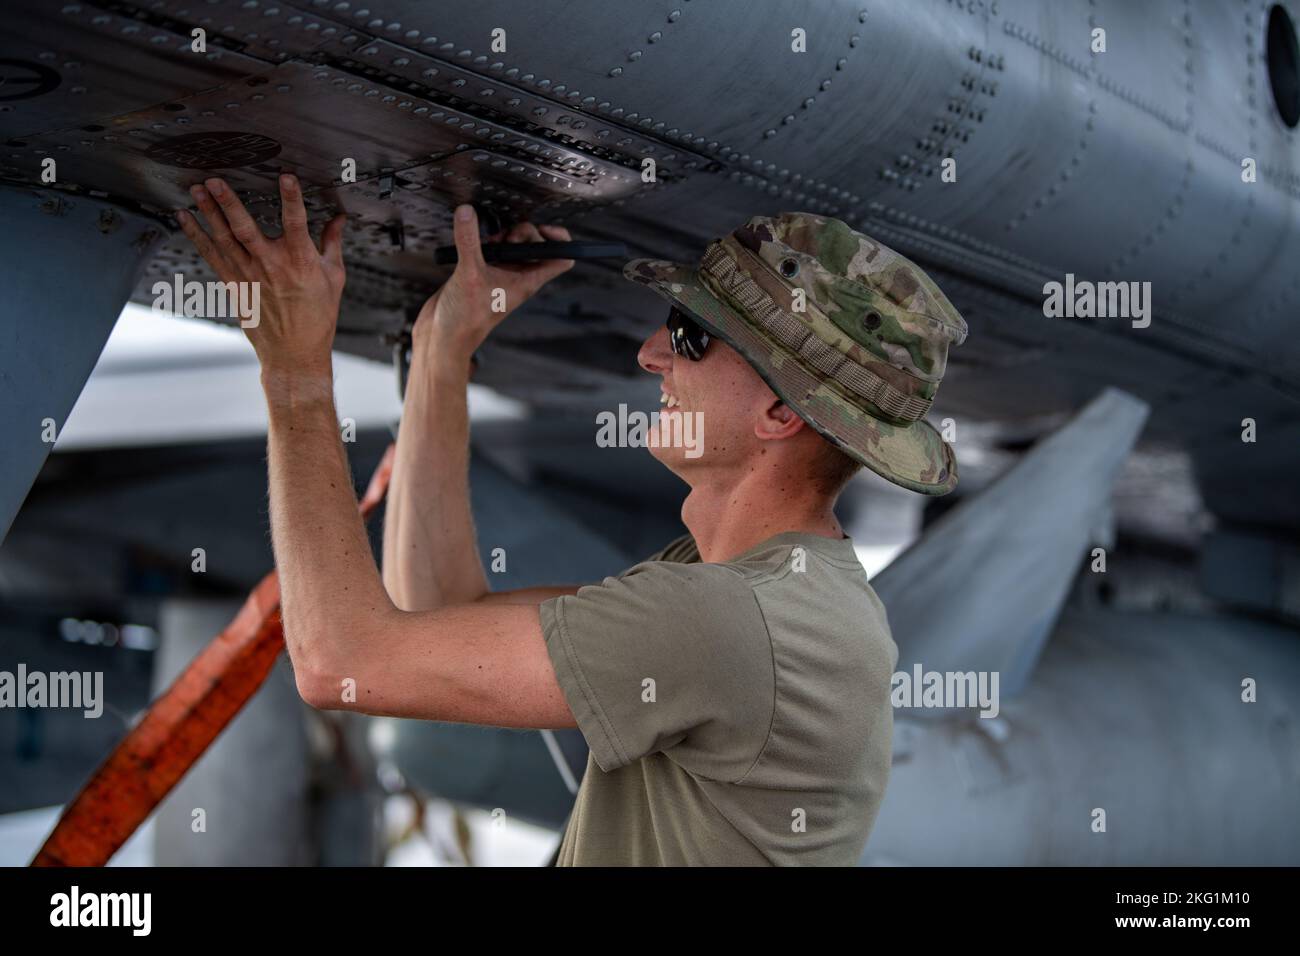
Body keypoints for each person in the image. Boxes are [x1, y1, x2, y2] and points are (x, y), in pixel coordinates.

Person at [176, 175, 967, 865]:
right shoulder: (773, 597)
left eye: (691, 338)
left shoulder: (732, 623)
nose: (651, 353)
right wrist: (443, 351)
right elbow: (436, 614)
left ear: (776, 412)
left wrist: (293, 369)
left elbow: (338, 661)